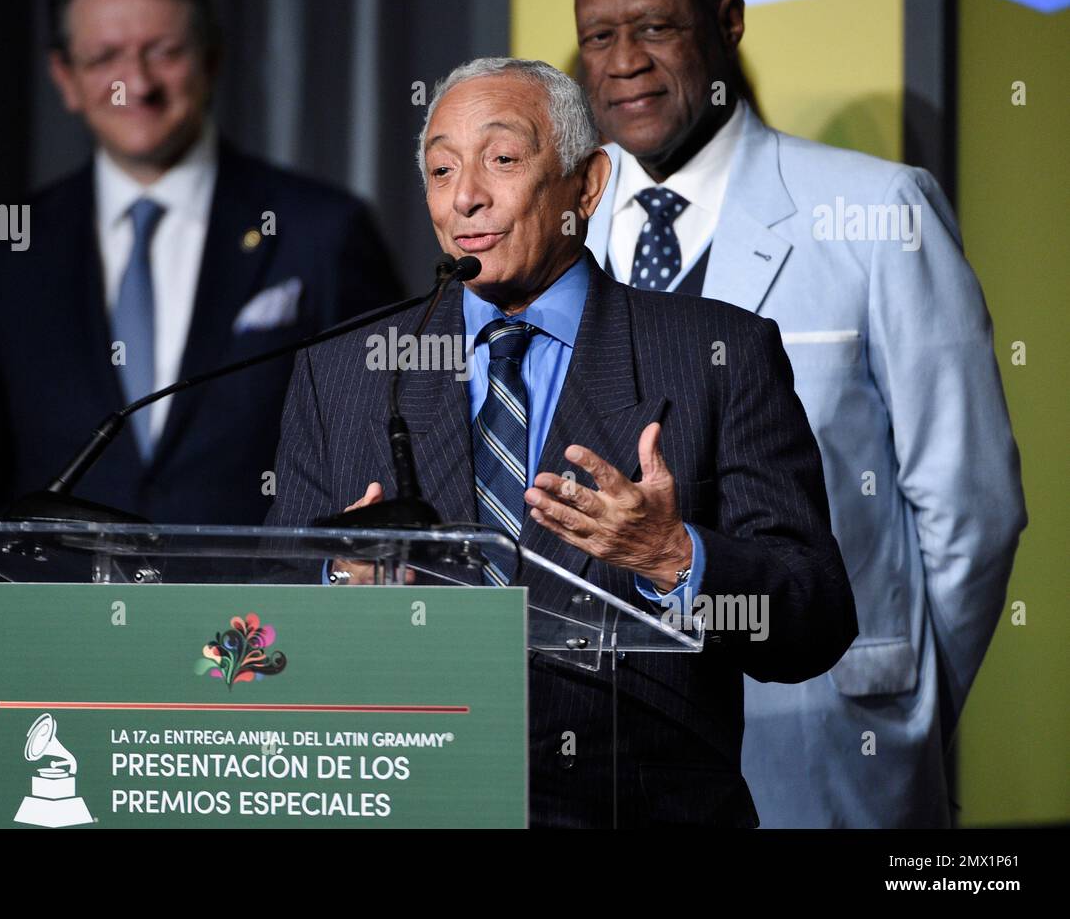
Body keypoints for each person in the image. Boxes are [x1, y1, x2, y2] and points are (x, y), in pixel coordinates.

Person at [266, 56, 857, 828]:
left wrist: (674, 557)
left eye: (502, 159)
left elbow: (814, 618)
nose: (465, 195)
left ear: (588, 184)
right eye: (441, 169)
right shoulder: (343, 372)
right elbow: (267, 626)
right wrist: (340, 591)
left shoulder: (718, 353)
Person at [574, 0, 1025, 827]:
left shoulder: (877, 211)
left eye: (655, 26)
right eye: (598, 36)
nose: (624, 60)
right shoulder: (555, 233)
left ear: (728, 21)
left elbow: (970, 510)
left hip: (824, 745)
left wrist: (905, 709)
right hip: (607, 759)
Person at [0, 0, 401, 523]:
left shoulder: (323, 232)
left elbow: (381, 449)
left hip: (265, 614)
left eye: (163, 51)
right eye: (105, 57)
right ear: (65, 77)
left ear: (211, 58)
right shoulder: (3, 254)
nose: (136, 83)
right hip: (63, 612)